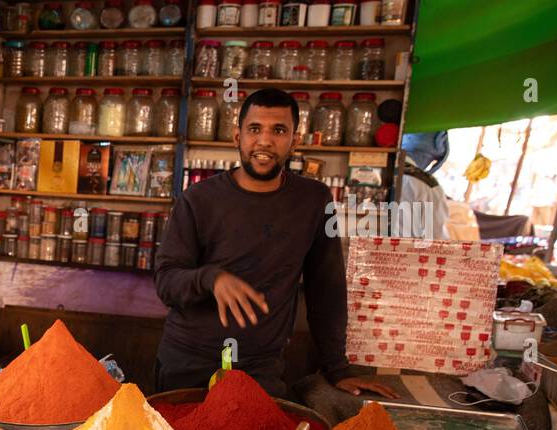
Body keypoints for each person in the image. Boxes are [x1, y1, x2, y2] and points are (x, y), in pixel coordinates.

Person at [153, 87, 397, 399]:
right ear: (236, 136)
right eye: (254, 129)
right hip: (188, 362)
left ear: (295, 140)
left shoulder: (315, 200)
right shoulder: (197, 200)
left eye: (278, 130)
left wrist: (337, 369)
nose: (265, 141)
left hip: (260, 368)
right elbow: (166, 282)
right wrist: (211, 279)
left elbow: (326, 288)